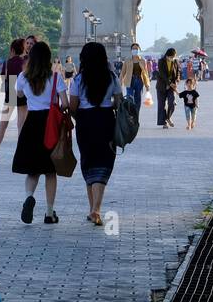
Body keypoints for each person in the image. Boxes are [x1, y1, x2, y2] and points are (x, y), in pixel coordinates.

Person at [12, 41, 66, 224]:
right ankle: (50, 213)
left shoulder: (23, 76)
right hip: (50, 125)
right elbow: (65, 104)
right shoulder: (55, 78)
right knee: (50, 171)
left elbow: (18, 95)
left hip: (32, 123)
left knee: (32, 170)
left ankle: (29, 197)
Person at [69, 42, 121, 226]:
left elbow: (72, 106)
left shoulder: (78, 80)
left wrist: (80, 118)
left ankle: (94, 209)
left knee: (89, 162)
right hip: (106, 121)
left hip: (85, 122)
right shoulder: (112, 77)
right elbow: (118, 102)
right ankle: (95, 210)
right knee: (104, 163)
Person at [0, 38, 28, 163]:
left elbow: (2, 79)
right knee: (21, 125)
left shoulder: (7, 62)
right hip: (22, 93)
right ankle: (21, 153)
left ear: (12, 49)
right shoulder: (25, 62)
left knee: (3, 124)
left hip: (10, 92)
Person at [119, 43, 150, 112]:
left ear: (139, 50)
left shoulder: (143, 60)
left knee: (138, 99)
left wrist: (147, 84)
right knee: (129, 98)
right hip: (129, 80)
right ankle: (129, 114)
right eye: (133, 49)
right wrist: (120, 81)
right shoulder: (127, 60)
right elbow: (123, 72)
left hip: (139, 81)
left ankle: (136, 114)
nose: (135, 50)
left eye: (136, 49)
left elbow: (145, 73)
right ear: (131, 50)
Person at [155, 48, 179, 128]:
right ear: (168, 55)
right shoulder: (161, 61)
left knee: (172, 102)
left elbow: (178, 72)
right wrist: (169, 83)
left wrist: (177, 80)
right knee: (161, 105)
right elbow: (162, 74)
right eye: (172, 57)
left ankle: (168, 117)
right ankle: (164, 122)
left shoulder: (175, 61)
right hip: (161, 86)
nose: (173, 58)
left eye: (174, 57)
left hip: (171, 87)